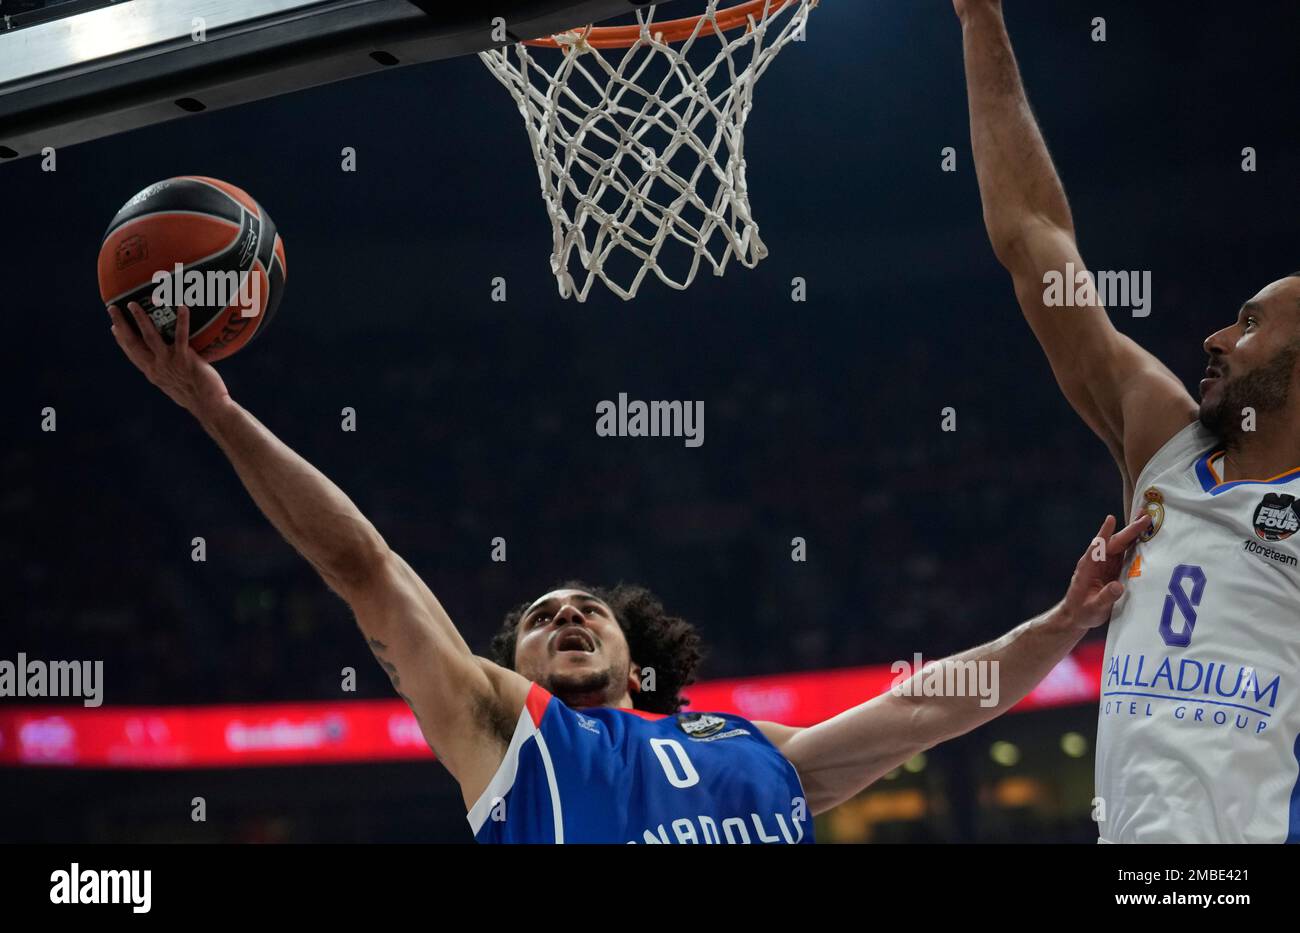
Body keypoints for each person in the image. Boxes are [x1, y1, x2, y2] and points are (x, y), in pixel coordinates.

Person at [108, 299, 1145, 843]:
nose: (566, 614)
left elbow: (931, 710)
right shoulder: (504, 736)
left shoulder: (752, 750)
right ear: (507, 661)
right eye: (540, 616)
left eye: (586, 608)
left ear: (632, 652)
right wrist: (218, 411)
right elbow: (363, 566)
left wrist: (1063, 623)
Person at [956, 0, 1300, 842]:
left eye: (1251, 324)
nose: (1216, 338)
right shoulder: (1167, 450)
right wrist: (979, 18)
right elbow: (1035, 237)